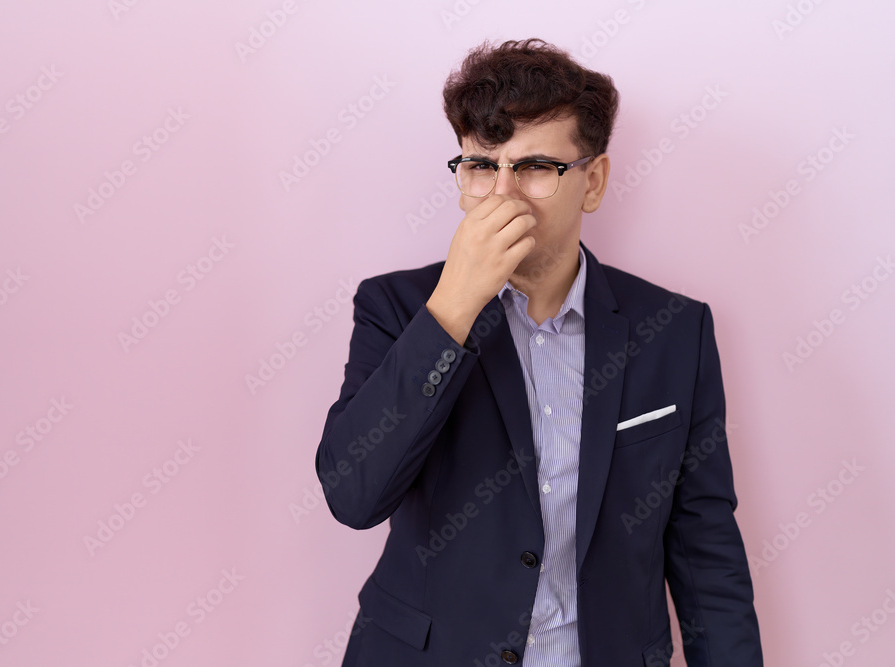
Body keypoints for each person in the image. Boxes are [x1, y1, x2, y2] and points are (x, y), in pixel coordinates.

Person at [314, 38, 762, 666]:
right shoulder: (397, 309)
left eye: (533, 168)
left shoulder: (673, 331)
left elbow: (705, 548)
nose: (502, 196)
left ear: (593, 181)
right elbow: (353, 494)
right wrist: (454, 310)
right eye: (481, 166)